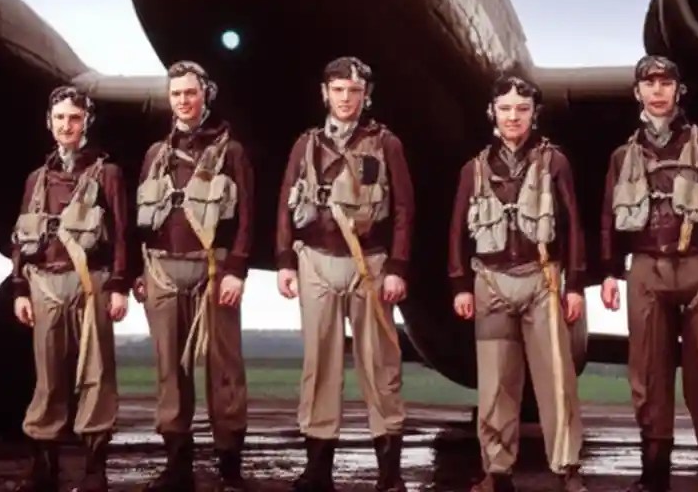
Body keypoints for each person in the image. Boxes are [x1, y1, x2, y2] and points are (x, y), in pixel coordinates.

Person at [598, 55, 698, 492]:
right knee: (648, 372)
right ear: (637, 92)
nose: (658, 90)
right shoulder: (623, 155)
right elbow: (607, 219)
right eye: (649, 82)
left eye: (666, 82)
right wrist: (608, 272)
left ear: (678, 91)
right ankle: (654, 471)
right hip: (645, 268)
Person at [275, 56, 415, 492]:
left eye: (354, 91)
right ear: (325, 93)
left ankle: (389, 473)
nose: (346, 99)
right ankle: (318, 469)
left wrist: (397, 266)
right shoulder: (307, 145)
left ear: (365, 95)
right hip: (315, 259)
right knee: (319, 364)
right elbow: (285, 203)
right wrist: (283, 260)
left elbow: (405, 208)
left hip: (369, 262)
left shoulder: (385, 143)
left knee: (380, 365)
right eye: (338, 90)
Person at [448, 75, 587, 492]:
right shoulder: (473, 170)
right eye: (505, 109)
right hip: (490, 283)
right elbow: (456, 230)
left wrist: (575, 284)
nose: (513, 117)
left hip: (541, 280)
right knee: (494, 384)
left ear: (534, 115)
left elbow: (574, 226)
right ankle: (496, 470)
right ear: (492, 113)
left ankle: (567, 470)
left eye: (522, 110)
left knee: (556, 382)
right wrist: (459, 284)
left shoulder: (554, 163)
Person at [131, 61, 255, 491]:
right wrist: (136, 274)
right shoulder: (154, 154)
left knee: (224, 369)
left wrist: (237, 269)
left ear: (206, 94)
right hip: (163, 270)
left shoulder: (231, 152)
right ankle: (177, 463)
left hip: (214, 270)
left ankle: (229, 467)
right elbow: (140, 223)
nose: (183, 101)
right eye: (176, 94)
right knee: (169, 369)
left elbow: (246, 219)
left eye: (191, 92)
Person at [6, 86, 131, 492]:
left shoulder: (107, 175)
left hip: (90, 283)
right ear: (49, 122)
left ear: (86, 123)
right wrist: (19, 288)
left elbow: (123, 235)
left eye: (74, 118)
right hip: (45, 282)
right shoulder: (36, 180)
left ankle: (95, 468)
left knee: (96, 374)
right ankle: (45, 467)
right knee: (48, 376)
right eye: (59, 118)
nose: (66, 126)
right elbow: (21, 237)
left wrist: (118, 285)